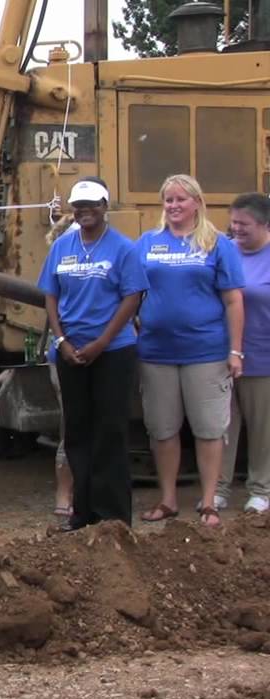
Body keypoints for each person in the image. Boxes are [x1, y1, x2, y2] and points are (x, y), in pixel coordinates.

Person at [38, 178, 148, 530]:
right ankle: (82, 512)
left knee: (110, 431)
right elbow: (50, 295)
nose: (85, 211)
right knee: (78, 433)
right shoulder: (61, 246)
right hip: (70, 353)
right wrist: (61, 341)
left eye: (92, 204)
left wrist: (101, 342)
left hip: (112, 352)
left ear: (105, 206)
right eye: (79, 205)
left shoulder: (123, 249)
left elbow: (132, 297)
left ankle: (113, 515)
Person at [137, 174, 244, 527]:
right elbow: (130, 294)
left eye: (181, 199)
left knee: (209, 429)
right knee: (162, 430)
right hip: (156, 353)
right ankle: (167, 499)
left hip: (207, 352)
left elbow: (233, 300)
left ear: (197, 202)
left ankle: (209, 501)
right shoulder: (148, 243)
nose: (173, 206)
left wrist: (235, 351)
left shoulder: (217, 244)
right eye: (168, 200)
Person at [218, 193, 270, 513]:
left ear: (265, 225)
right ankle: (218, 487)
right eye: (233, 222)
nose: (236, 228)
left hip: (263, 355)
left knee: (262, 425)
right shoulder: (225, 252)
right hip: (221, 355)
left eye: (244, 224)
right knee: (221, 426)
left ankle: (261, 488)